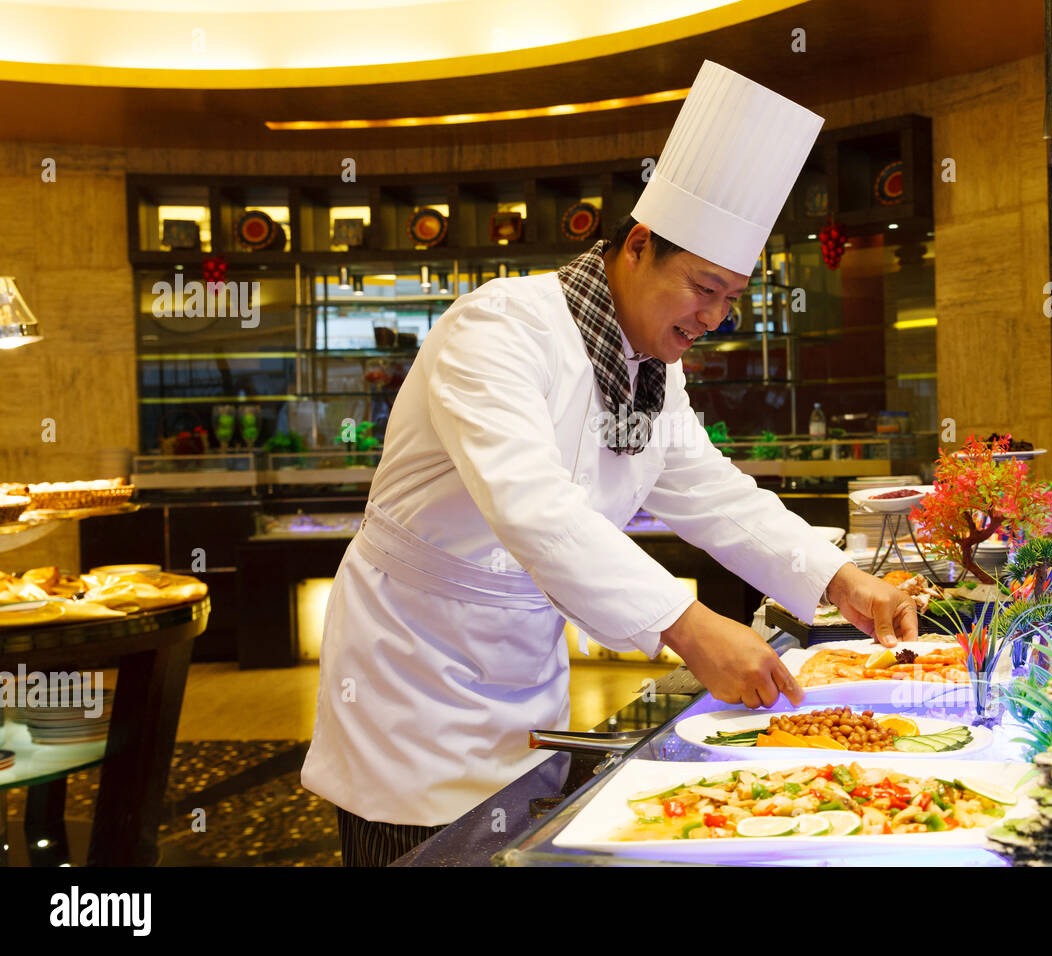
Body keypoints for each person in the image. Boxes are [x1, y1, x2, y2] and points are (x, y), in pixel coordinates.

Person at [301, 61, 918, 866]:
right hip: (412, 688)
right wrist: (690, 628)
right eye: (704, 288)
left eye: (731, 299)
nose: (715, 318)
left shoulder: (651, 369)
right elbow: (532, 505)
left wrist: (838, 578)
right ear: (636, 246)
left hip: (523, 677)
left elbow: (711, 492)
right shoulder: (496, 329)